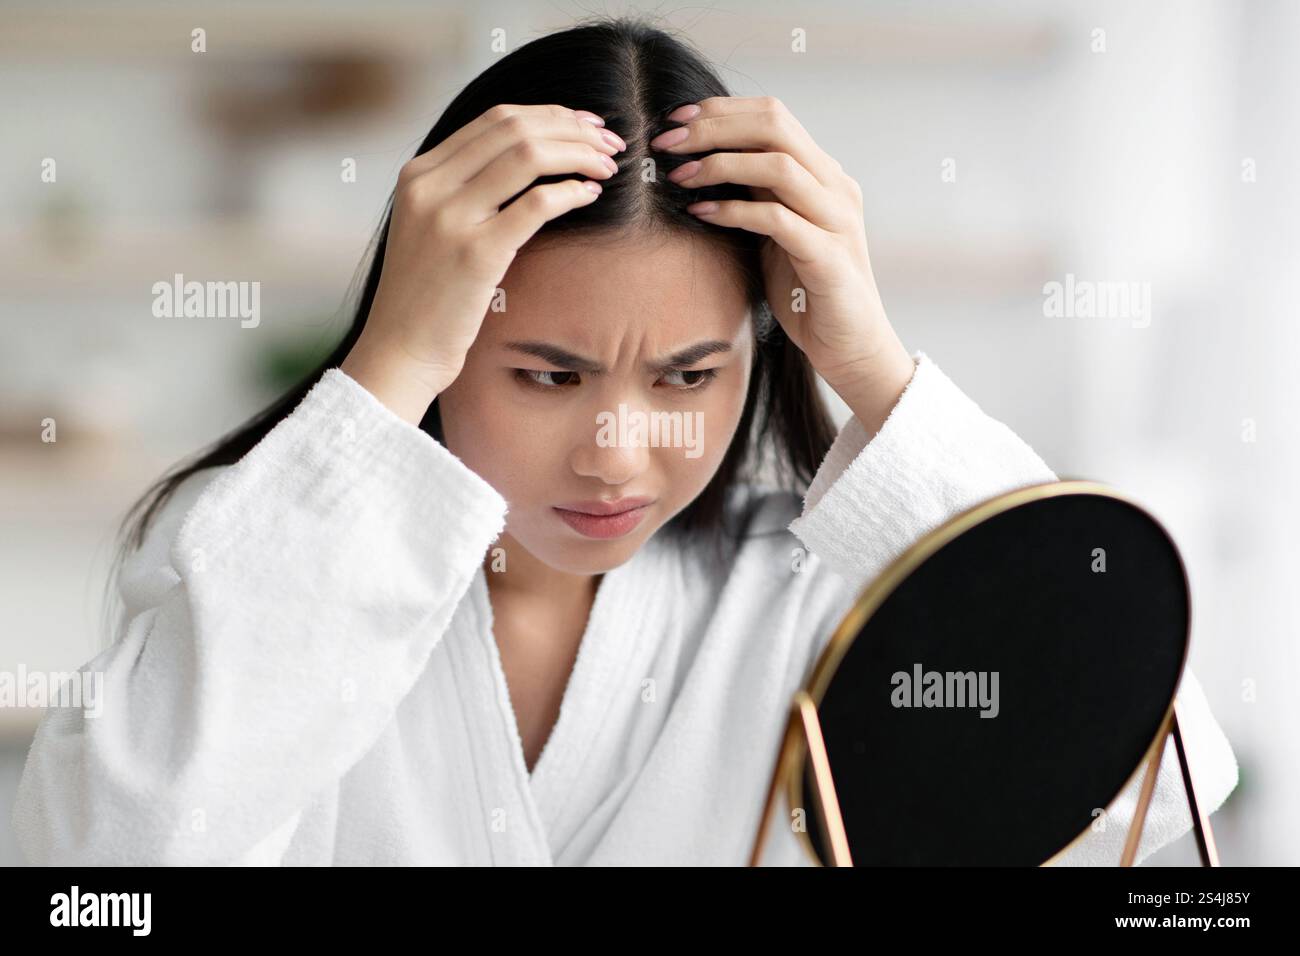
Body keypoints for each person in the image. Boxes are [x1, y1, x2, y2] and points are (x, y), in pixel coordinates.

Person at [11, 17, 1237, 866]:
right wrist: (385, 372)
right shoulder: (253, 547)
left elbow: (1165, 779)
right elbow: (100, 878)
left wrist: (877, 372)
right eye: (547, 374)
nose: (617, 451)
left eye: (689, 374)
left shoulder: (806, 589)